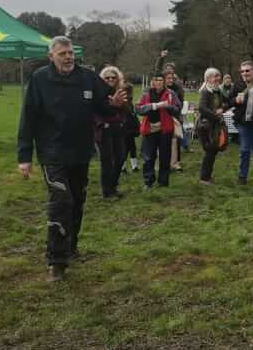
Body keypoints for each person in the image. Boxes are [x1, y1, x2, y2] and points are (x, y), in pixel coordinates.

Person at [17, 36, 127, 282]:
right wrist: (24, 156)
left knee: (77, 201)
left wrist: (115, 105)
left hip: (80, 152)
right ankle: (56, 262)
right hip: (52, 154)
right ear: (51, 56)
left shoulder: (88, 77)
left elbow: (103, 107)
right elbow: (28, 118)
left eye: (70, 53)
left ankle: (71, 247)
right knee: (61, 201)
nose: (68, 57)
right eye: (62, 53)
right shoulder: (39, 79)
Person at [136, 74, 180, 190]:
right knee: (149, 157)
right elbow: (138, 109)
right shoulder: (146, 93)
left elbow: (177, 109)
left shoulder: (170, 93)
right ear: (152, 81)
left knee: (165, 157)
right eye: (156, 80)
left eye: (161, 80)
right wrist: (154, 106)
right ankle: (148, 181)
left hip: (165, 129)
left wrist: (168, 107)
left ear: (164, 81)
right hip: (149, 129)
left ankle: (163, 182)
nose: (159, 82)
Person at [96, 66, 128, 199]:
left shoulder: (120, 91)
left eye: (113, 77)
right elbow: (95, 111)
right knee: (107, 160)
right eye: (107, 77)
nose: (110, 80)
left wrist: (122, 106)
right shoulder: (97, 93)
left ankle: (113, 186)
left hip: (118, 127)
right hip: (103, 128)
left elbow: (126, 110)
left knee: (120, 157)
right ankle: (107, 191)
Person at [196, 67, 227, 185]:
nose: (219, 78)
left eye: (219, 76)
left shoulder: (217, 91)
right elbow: (202, 108)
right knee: (209, 151)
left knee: (212, 151)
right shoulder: (205, 91)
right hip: (204, 127)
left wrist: (222, 109)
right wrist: (216, 116)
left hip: (213, 126)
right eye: (216, 76)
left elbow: (226, 102)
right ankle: (204, 178)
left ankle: (207, 176)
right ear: (208, 79)